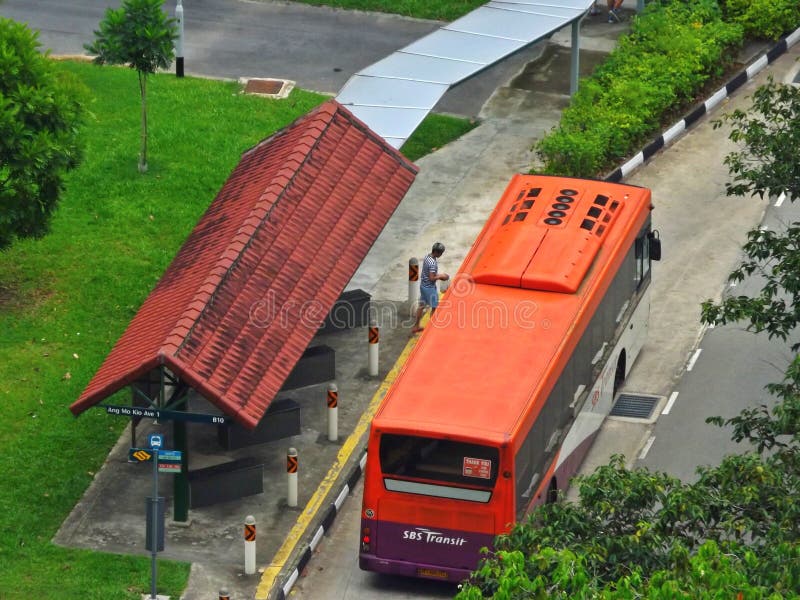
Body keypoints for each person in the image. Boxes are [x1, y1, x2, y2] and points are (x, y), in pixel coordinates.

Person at [411, 242, 449, 333]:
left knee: (421, 306)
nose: (441, 255)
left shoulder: (427, 257)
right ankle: (432, 331)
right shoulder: (432, 263)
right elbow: (432, 278)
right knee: (435, 308)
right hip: (429, 288)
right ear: (436, 252)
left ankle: (416, 326)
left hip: (423, 286)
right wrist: (441, 276)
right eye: (440, 253)